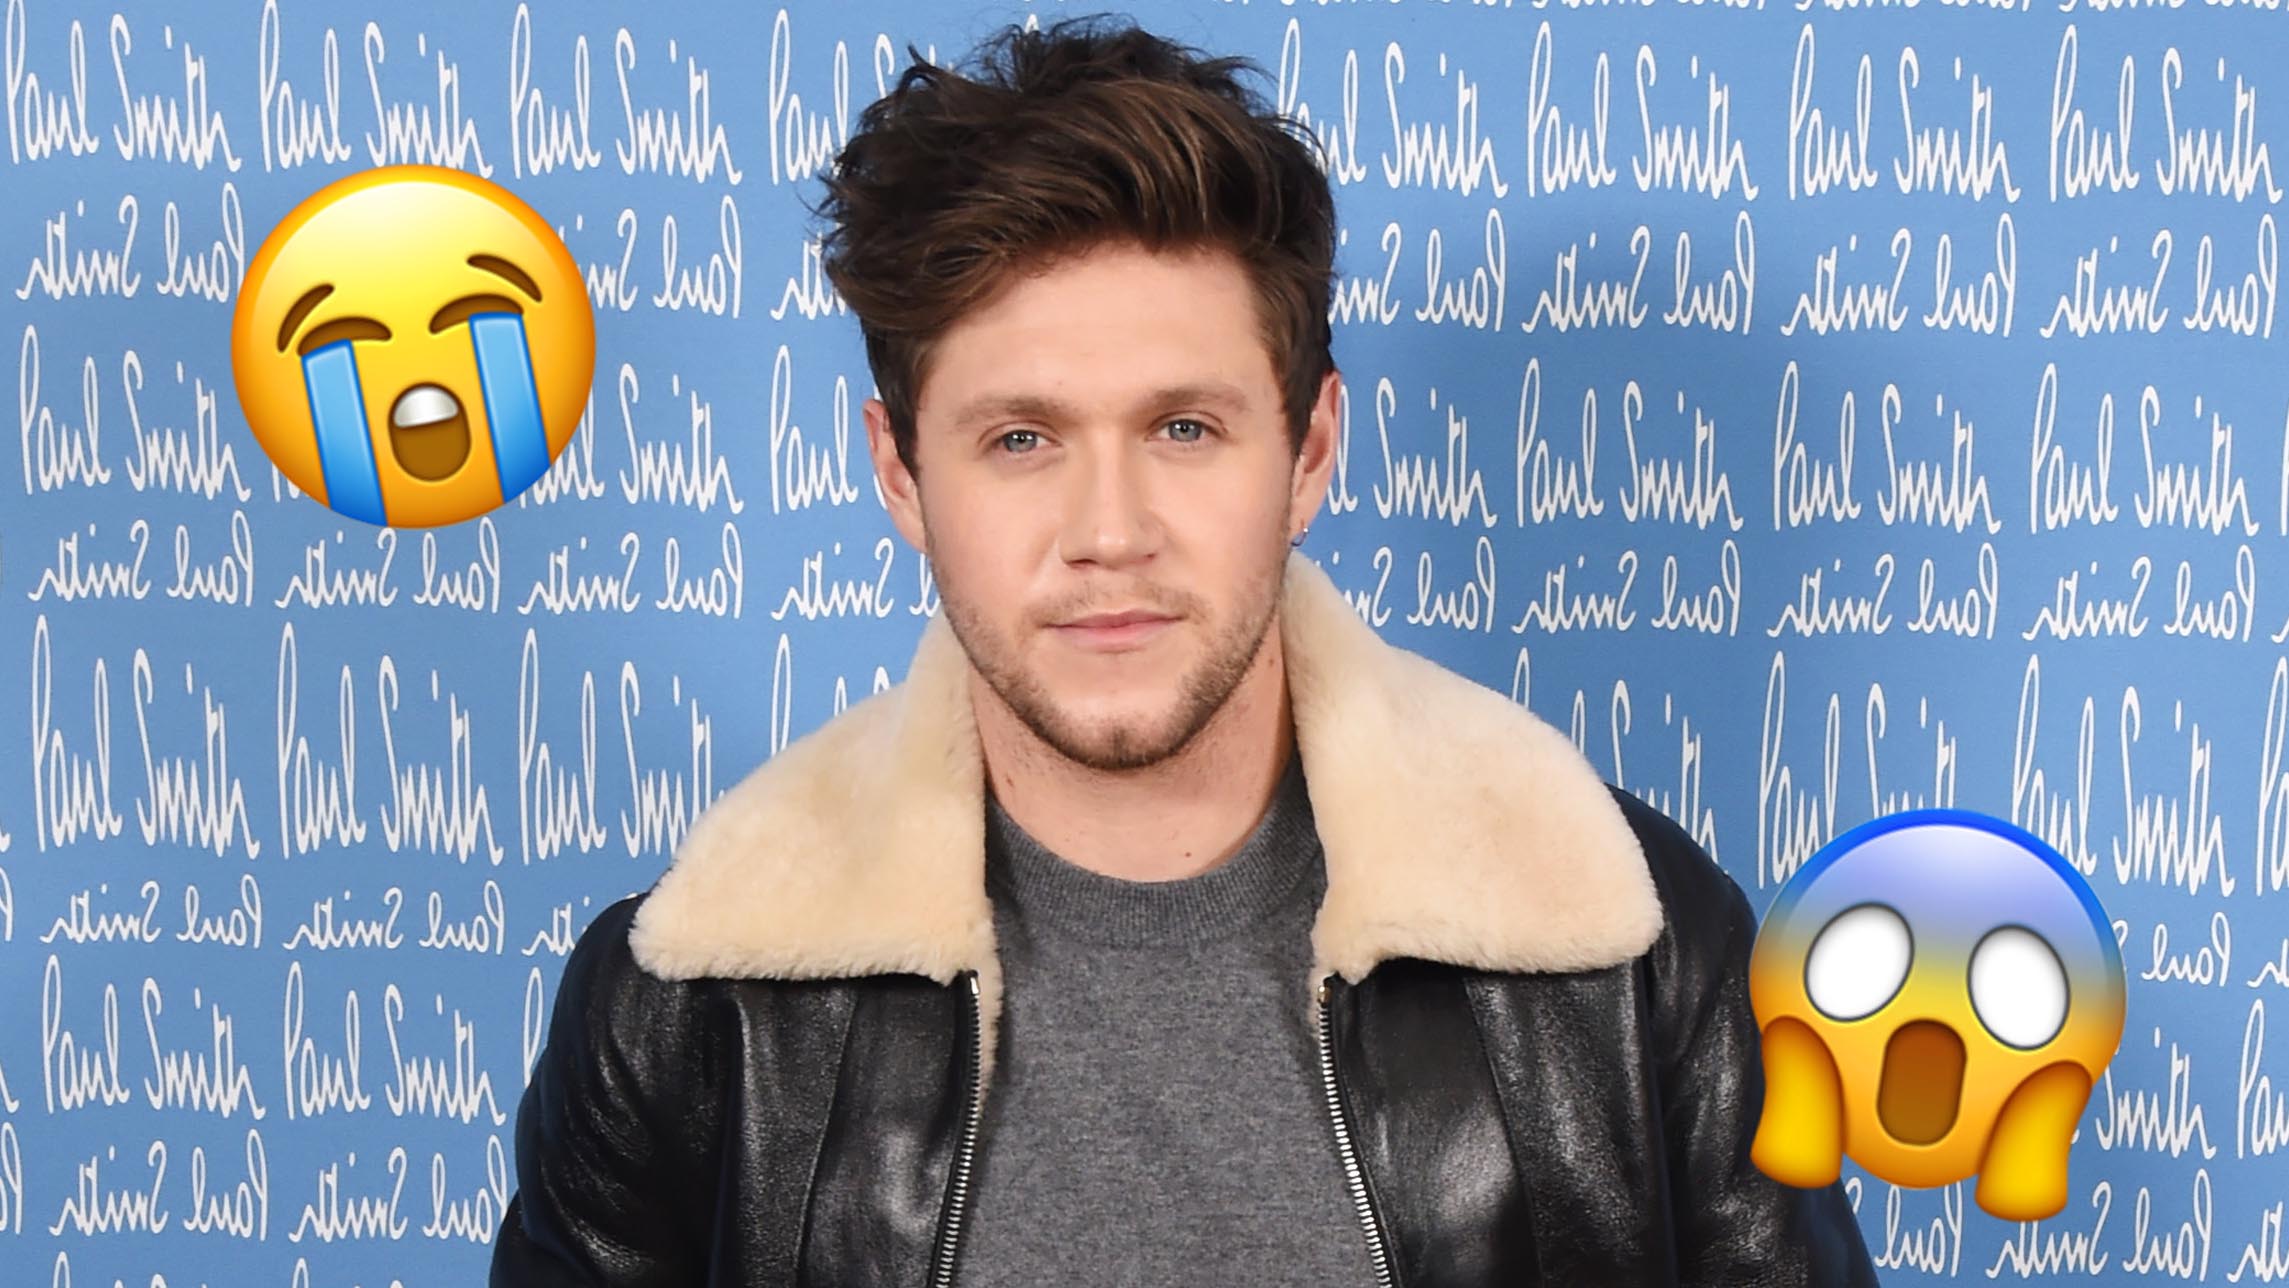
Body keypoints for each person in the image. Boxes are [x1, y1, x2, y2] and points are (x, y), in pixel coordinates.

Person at [491, 15, 1880, 1286]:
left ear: (1311, 450)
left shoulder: (1630, 947)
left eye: (1184, 429)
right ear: (901, 476)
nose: (1109, 533)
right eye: (1019, 439)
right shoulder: (687, 1013)